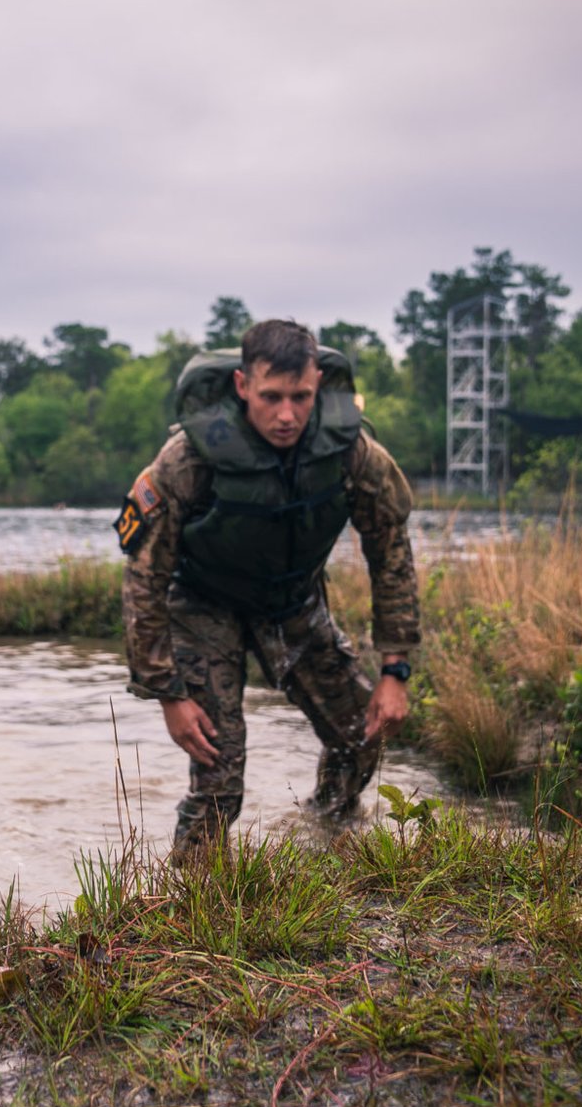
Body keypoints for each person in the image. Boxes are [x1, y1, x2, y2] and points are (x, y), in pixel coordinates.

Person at [117, 318, 419, 850]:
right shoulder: (188, 459)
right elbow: (144, 578)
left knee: (361, 737)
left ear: (319, 385)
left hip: (291, 601)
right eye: (271, 397)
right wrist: (167, 692)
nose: (287, 415)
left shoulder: (352, 451)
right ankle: (192, 906)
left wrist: (395, 668)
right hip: (205, 604)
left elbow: (390, 550)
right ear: (242, 387)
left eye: (301, 397)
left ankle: (327, 839)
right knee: (219, 779)